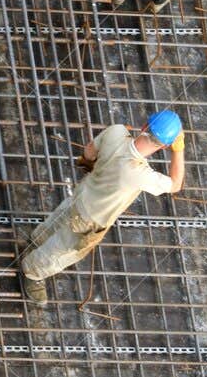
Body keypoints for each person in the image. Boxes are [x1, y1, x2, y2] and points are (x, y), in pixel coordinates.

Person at [17, 111, 187, 305]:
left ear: (144, 126)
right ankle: (32, 272)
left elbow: (89, 153)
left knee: (58, 221)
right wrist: (178, 150)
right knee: (62, 250)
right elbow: (176, 184)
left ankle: (34, 242)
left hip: (81, 194)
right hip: (90, 219)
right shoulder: (140, 174)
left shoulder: (116, 131)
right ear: (164, 146)